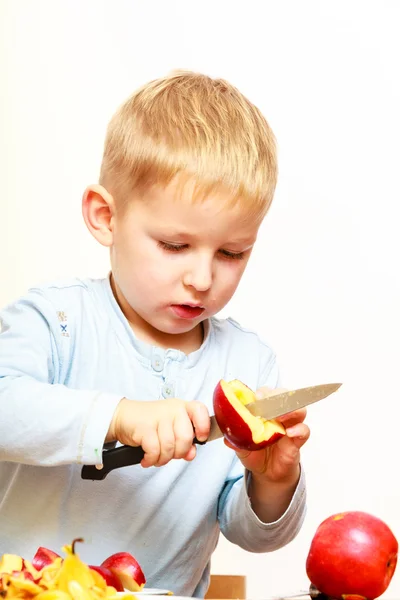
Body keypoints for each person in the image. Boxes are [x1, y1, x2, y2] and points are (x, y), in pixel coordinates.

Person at [0, 70, 310, 598]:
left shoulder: (249, 362)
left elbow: (251, 533)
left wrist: (273, 480)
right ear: (106, 218)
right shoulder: (58, 321)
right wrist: (118, 415)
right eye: (173, 245)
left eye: (232, 253)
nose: (203, 278)